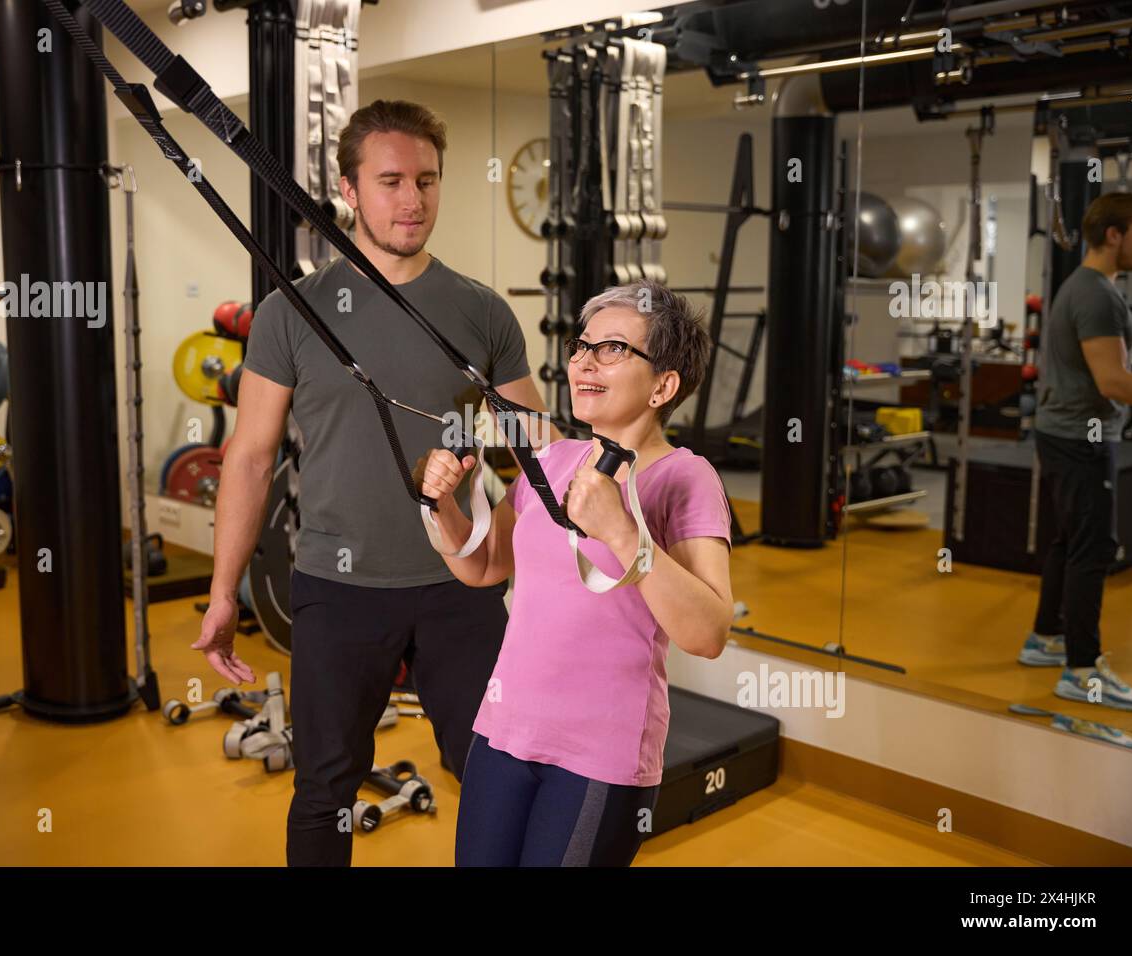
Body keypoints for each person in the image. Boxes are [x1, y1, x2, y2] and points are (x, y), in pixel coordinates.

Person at [193, 99, 555, 866]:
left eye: (426, 179)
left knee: (493, 771)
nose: (413, 199)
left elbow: (538, 455)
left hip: (460, 587)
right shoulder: (290, 313)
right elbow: (251, 459)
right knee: (325, 787)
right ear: (348, 191)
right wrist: (225, 590)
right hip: (337, 583)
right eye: (390, 180)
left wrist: (537, 562)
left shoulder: (482, 311)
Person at [418, 279, 734, 866]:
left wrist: (622, 532)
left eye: (613, 349)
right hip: (504, 732)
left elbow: (709, 632)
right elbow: (484, 567)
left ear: (664, 385)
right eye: (582, 345)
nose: (585, 361)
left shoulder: (685, 478)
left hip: (602, 755)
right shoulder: (554, 460)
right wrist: (442, 504)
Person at [1018, 191, 1132, 711]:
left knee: (1069, 540)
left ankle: (1046, 637)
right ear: (1113, 235)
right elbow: (1113, 381)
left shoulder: (1088, 288)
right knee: (1093, 547)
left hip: (1067, 432)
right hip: (1082, 437)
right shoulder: (1095, 294)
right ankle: (1082, 670)